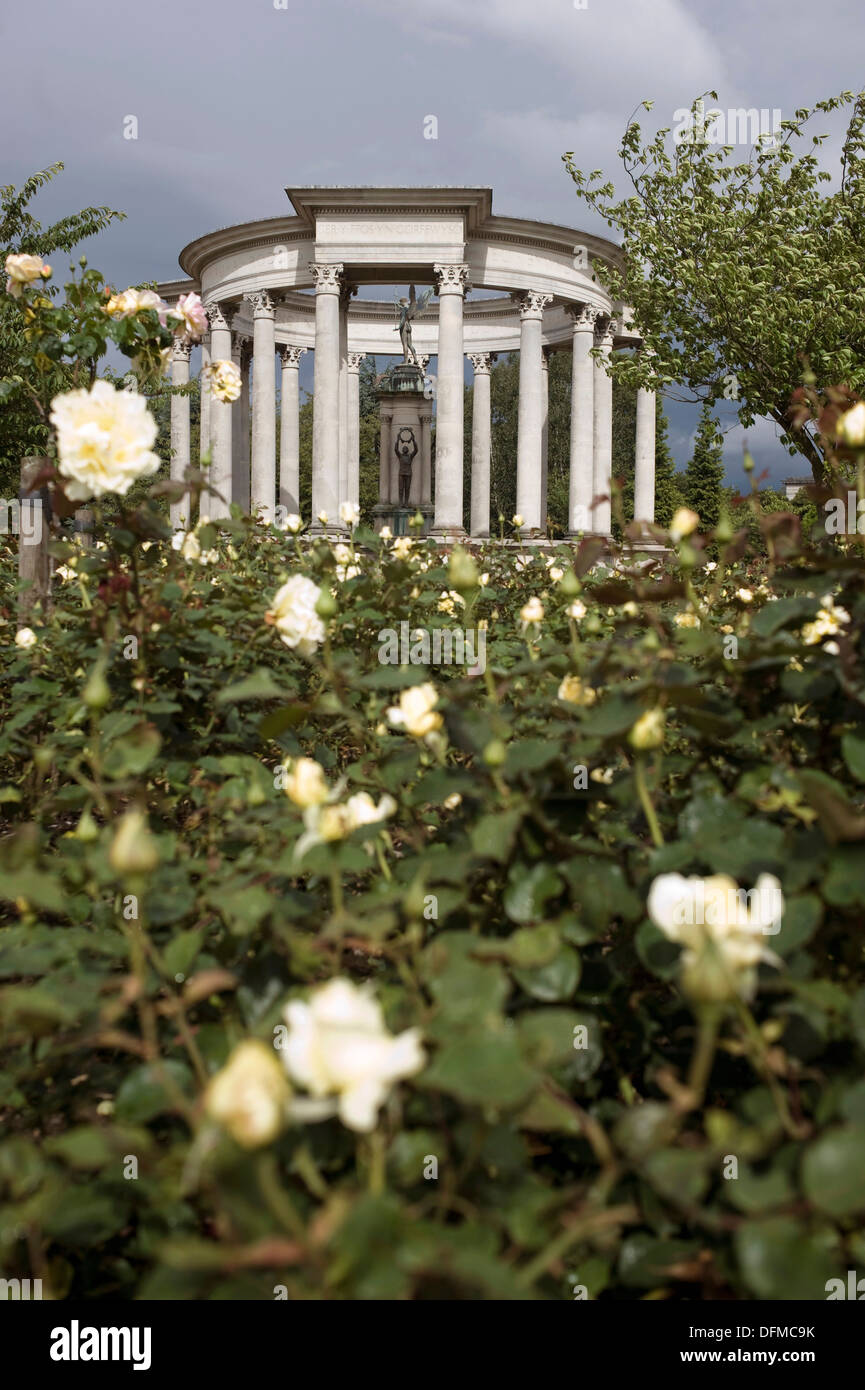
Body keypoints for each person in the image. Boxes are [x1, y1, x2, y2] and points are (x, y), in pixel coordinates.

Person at [394, 427, 418, 505]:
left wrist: (413, 439)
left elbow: (416, 450)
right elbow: (396, 449)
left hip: (408, 473)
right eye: (403, 448)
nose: (404, 449)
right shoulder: (400, 456)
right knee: (401, 489)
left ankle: (406, 503)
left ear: (407, 450)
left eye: (406, 448)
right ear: (402, 450)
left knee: (407, 489)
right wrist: (398, 438)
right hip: (401, 473)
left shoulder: (410, 456)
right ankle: (401, 502)